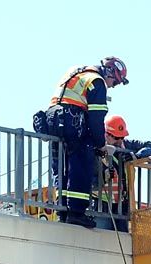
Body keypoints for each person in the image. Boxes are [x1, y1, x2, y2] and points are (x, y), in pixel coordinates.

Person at [45, 57, 129, 228]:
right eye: (115, 81)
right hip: (72, 120)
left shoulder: (77, 72)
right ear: (109, 72)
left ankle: (63, 210)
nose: (113, 85)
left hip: (54, 121)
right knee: (81, 165)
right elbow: (96, 119)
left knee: (62, 168)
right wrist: (99, 145)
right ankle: (76, 212)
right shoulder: (97, 82)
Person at [93, 115, 151, 231]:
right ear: (106, 134)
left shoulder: (127, 145)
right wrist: (104, 176)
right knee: (100, 242)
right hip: (102, 206)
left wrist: (135, 156)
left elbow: (150, 147)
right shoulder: (97, 149)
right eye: (117, 138)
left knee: (122, 243)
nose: (120, 141)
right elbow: (90, 182)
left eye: (122, 137)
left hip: (122, 205)